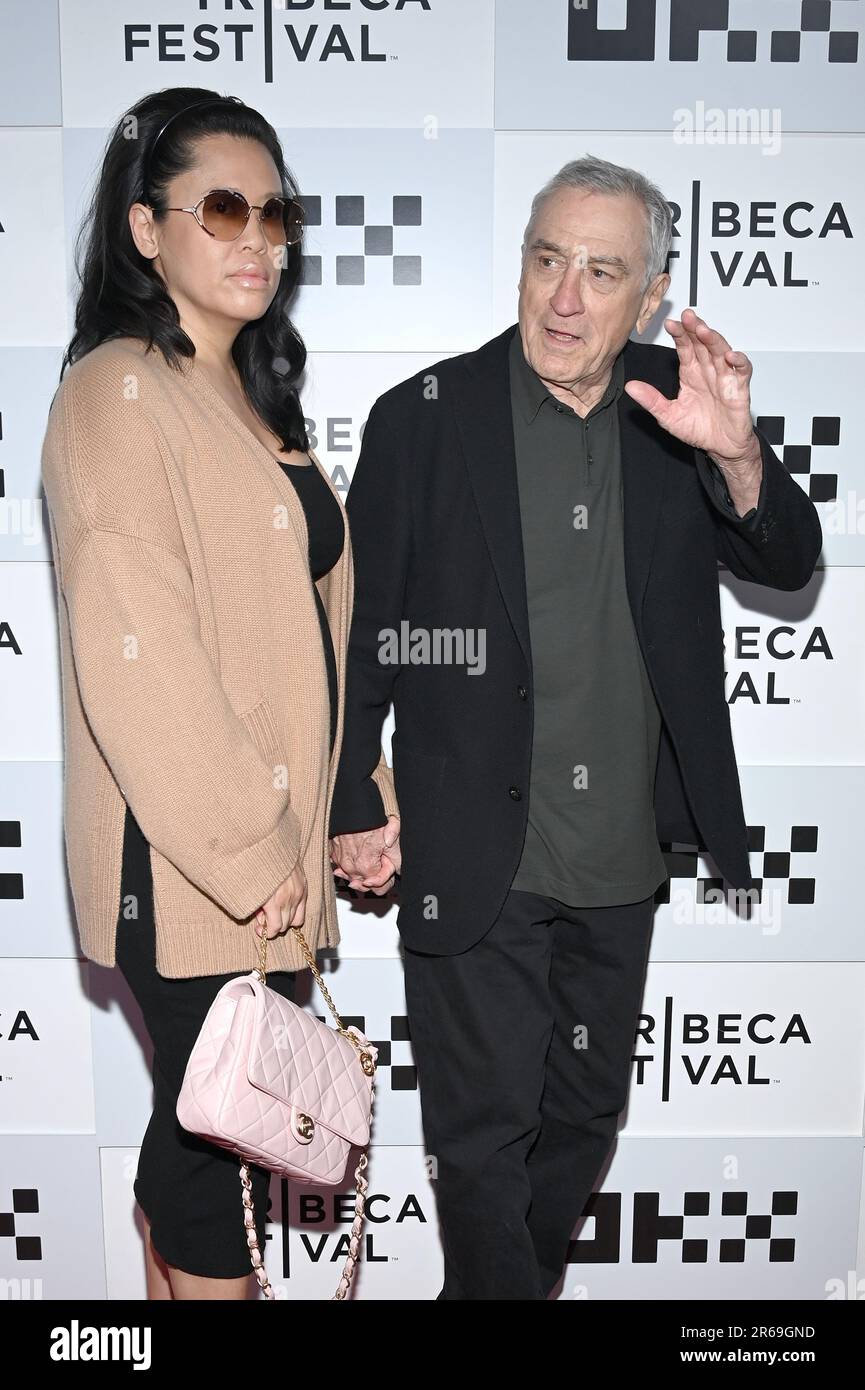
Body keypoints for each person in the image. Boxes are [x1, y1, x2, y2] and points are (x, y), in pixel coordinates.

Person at [328, 155, 823, 1299]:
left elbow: (787, 560)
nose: (564, 296)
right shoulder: (425, 419)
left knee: (583, 1119)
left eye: (601, 272)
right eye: (546, 259)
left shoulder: (676, 411)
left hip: (617, 858)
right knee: (481, 1137)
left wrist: (735, 450)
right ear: (520, 263)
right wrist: (355, 797)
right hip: (468, 850)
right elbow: (361, 634)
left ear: (649, 296)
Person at [40, 86, 396, 1300]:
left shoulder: (246, 400)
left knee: (212, 1129)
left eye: (276, 212)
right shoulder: (115, 390)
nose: (260, 238)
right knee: (208, 1159)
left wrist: (355, 791)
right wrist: (251, 845)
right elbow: (137, 649)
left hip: (264, 850)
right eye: (223, 207)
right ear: (146, 229)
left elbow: (302, 634)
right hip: (191, 855)